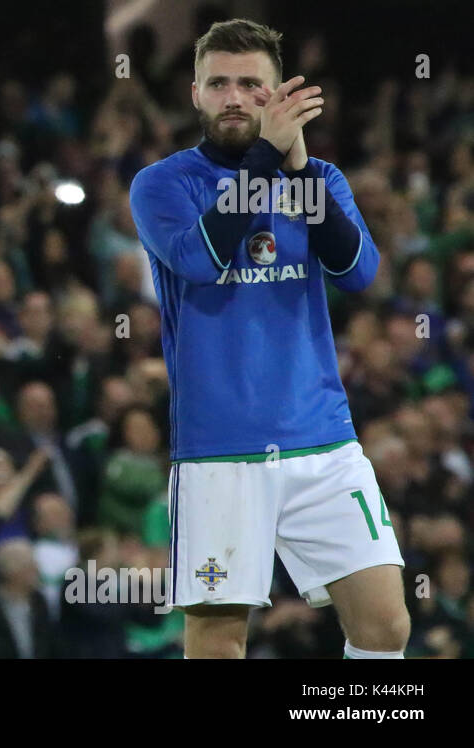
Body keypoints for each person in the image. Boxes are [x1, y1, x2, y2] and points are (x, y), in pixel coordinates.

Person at [128, 18, 408, 659]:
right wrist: (265, 160)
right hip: (220, 449)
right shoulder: (162, 185)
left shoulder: (321, 181)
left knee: (385, 626)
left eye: (251, 85)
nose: (233, 97)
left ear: (280, 95)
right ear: (194, 95)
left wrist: (299, 166)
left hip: (324, 441)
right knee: (219, 637)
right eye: (217, 83)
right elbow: (200, 259)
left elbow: (360, 272)